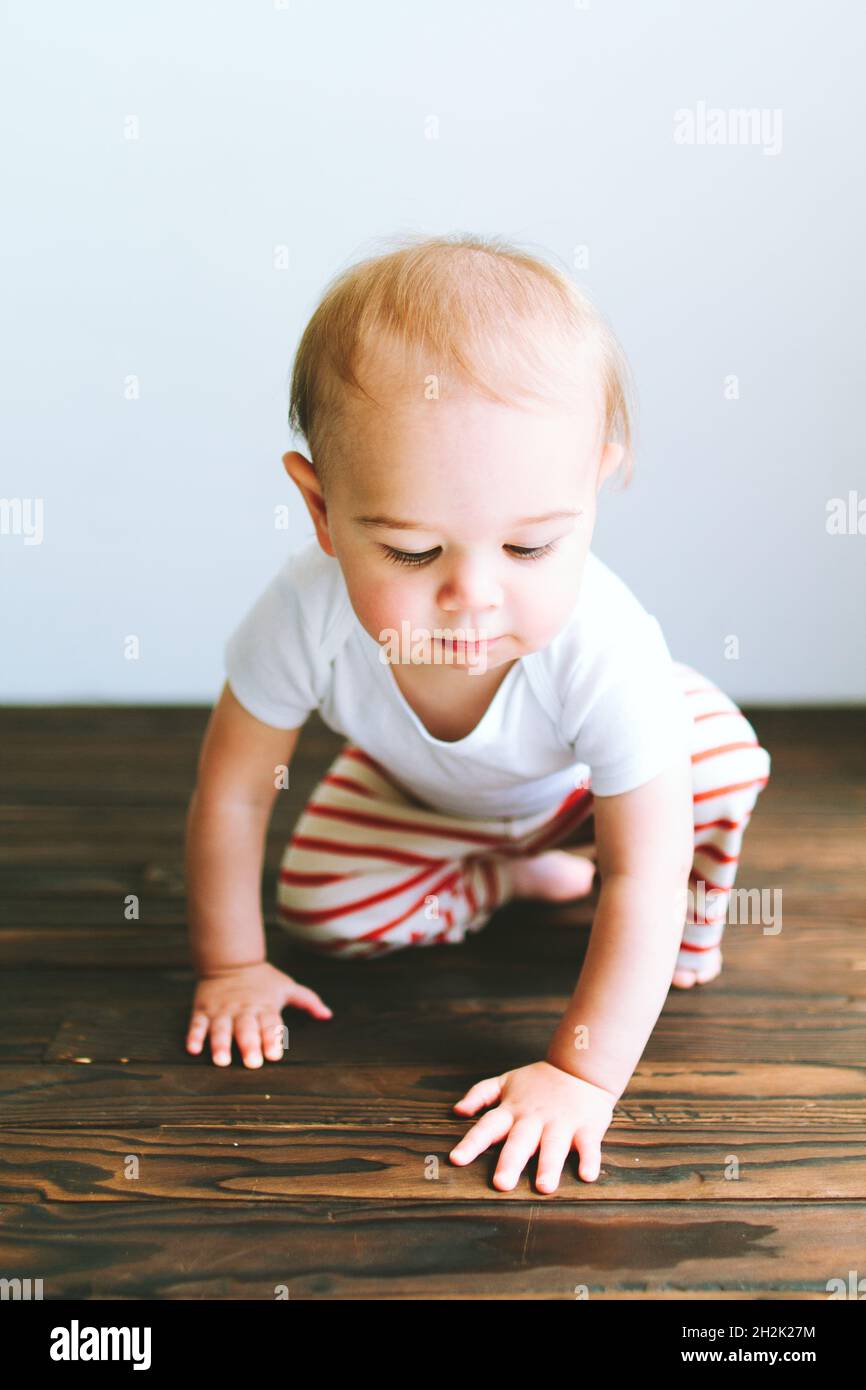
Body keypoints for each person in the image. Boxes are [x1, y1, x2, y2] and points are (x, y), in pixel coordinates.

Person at [184, 234, 771, 1192]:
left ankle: (691, 928)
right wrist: (232, 965)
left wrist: (582, 1073)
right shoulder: (304, 615)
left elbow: (640, 870)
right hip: (426, 791)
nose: (473, 596)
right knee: (320, 911)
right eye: (414, 553)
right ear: (322, 509)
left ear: (593, 494)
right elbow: (236, 795)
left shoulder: (605, 646)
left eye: (531, 547)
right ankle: (508, 878)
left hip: (591, 793)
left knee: (719, 764)